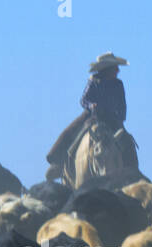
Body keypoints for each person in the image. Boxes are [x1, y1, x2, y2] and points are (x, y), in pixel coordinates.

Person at [46, 52, 138, 180]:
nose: (117, 70)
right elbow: (83, 100)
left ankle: (134, 172)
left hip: (112, 118)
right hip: (93, 116)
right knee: (73, 132)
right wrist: (91, 106)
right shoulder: (93, 81)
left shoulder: (118, 84)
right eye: (115, 68)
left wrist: (121, 118)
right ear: (107, 69)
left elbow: (122, 104)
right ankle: (59, 162)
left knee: (127, 141)